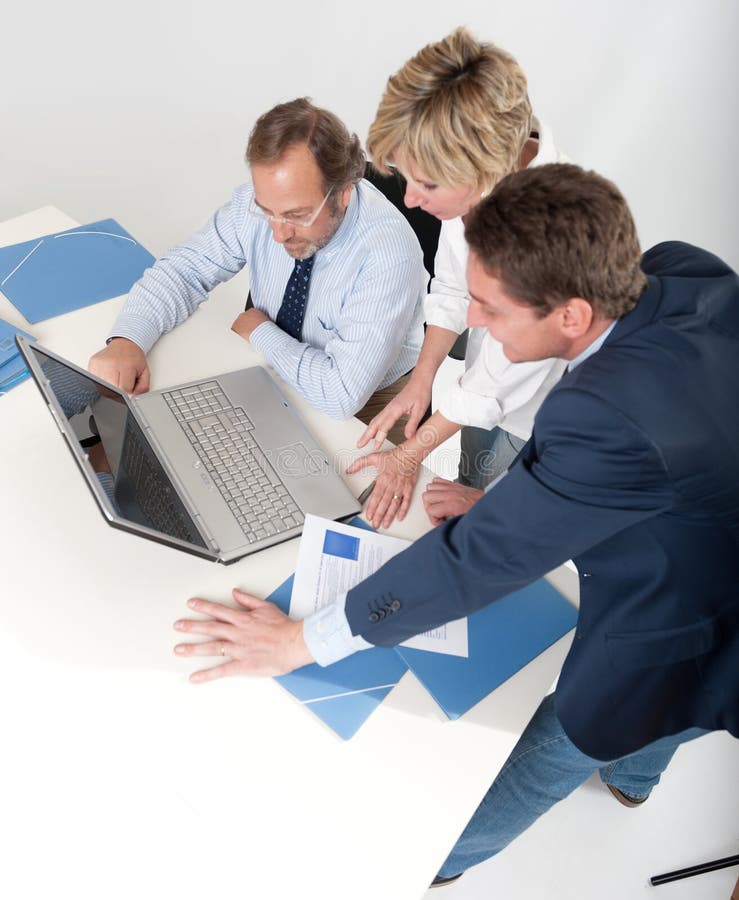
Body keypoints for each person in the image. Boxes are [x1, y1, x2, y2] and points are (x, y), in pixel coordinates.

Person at [172, 164, 739, 886]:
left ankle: (440, 860)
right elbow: (654, 456)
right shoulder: (680, 270)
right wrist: (533, 505)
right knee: (667, 709)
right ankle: (635, 776)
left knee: (580, 727)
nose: (473, 321)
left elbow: (469, 565)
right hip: (706, 516)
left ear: (571, 314)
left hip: (707, 611)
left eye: (491, 308)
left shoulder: (607, 419)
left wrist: (298, 641)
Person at [89, 99, 426, 444]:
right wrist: (127, 340)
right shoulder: (263, 200)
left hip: (369, 404)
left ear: (343, 194)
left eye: (297, 215)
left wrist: (261, 332)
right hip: (269, 366)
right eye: (268, 211)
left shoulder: (388, 256)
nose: (278, 234)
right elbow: (185, 269)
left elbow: (341, 393)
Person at [352, 27, 567, 528]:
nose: (410, 201)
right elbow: (450, 287)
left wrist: (409, 455)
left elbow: (495, 385)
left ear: (485, 172)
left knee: (504, 520)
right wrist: (421, 380)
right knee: (465, 484)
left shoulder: (550, 244)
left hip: (545, 420)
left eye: (426, 185)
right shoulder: (483, 172)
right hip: (485, 393)